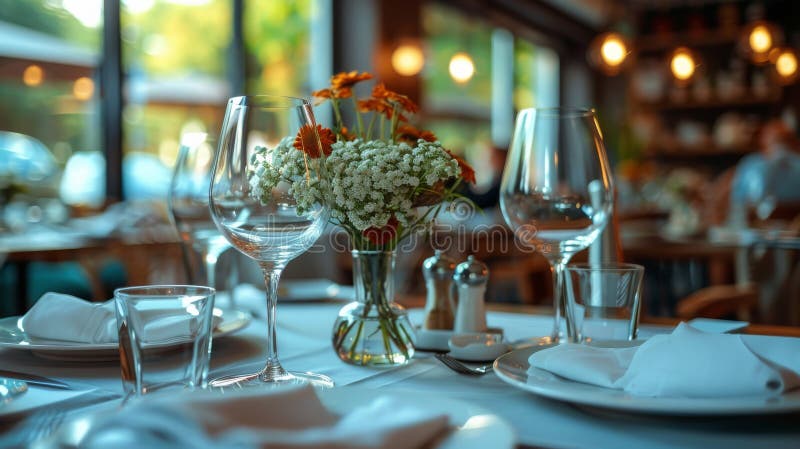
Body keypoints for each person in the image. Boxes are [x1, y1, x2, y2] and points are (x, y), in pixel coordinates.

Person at [728, 119, 800, 226]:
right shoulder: (751, 164)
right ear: (763, 140)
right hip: (755, 223)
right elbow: (738, 200)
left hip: (792, 225)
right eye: (775, 140)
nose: (779, 145)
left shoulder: (797, 164)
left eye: (784, 140)